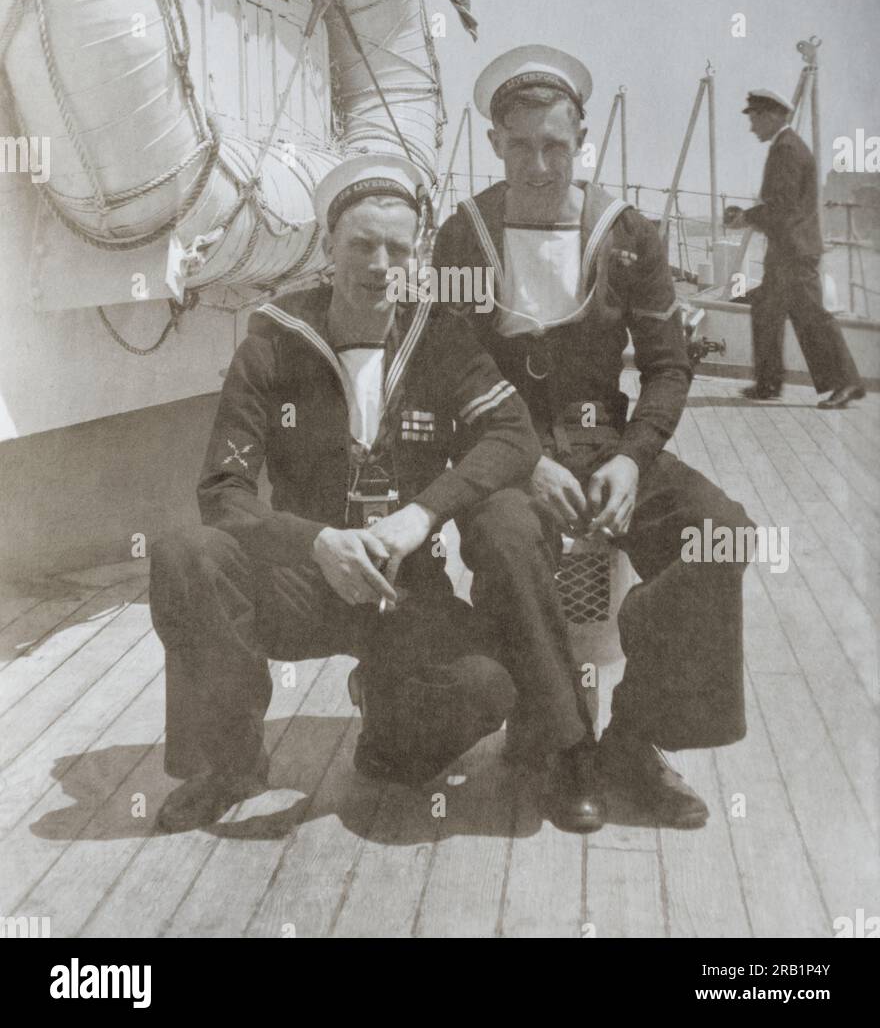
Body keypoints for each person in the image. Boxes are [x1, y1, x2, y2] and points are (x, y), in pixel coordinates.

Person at [150, 154, 594, 833]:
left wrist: (423, 514)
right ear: (329, 246)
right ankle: (228, 763)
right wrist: (316, 543)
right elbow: (223, 492)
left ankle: (388, 732)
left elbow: (512, 433)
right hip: (300, 580)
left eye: (397, 248)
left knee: (485, 686)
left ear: (416, 254)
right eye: (361, 244)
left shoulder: (438, 337)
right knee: (189, 555)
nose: (380, 264)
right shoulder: (274, 341)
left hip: (402, 586)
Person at [432, 46, 754, 829]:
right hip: (504, 452)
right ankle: (566, 744)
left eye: (555, 145)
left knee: (721, 533)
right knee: (507, 538)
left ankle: (635, 737)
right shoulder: (465, 237)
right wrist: (526, 461)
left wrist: (634, 460)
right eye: (520, 146)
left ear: (581, 141)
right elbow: (451, 370)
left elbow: (668, 366)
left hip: (607, 444)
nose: (539, 165)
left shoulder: (626, 235)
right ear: (495, 143)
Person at [725, 89, 865, 408]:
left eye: (754, 118)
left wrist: (746, 218)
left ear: (772, 116)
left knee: (811, 316)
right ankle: (768, 382)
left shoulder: (787, 149)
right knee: (766, 309)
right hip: (787, 250)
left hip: (795, 252)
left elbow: (783, 206)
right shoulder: (785, 146)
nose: (751, 127)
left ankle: (846, 382)